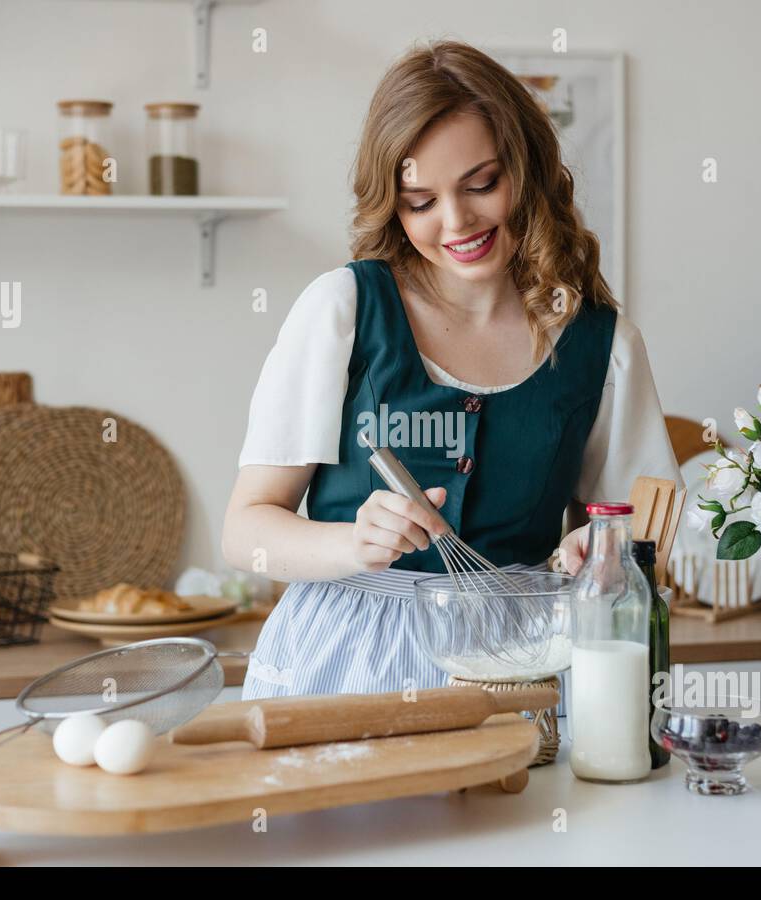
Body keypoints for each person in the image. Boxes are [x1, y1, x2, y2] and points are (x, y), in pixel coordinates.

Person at [223, 41, 680, 708]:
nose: (456, 222)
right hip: (352, 655)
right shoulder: (343, 309)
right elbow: (246, 532)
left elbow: (644, 528)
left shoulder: (603, 346)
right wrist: (356, 541)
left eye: (481, 183)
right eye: (419, 200)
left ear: (527, 169)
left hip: (525, 659)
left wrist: (599, 552)